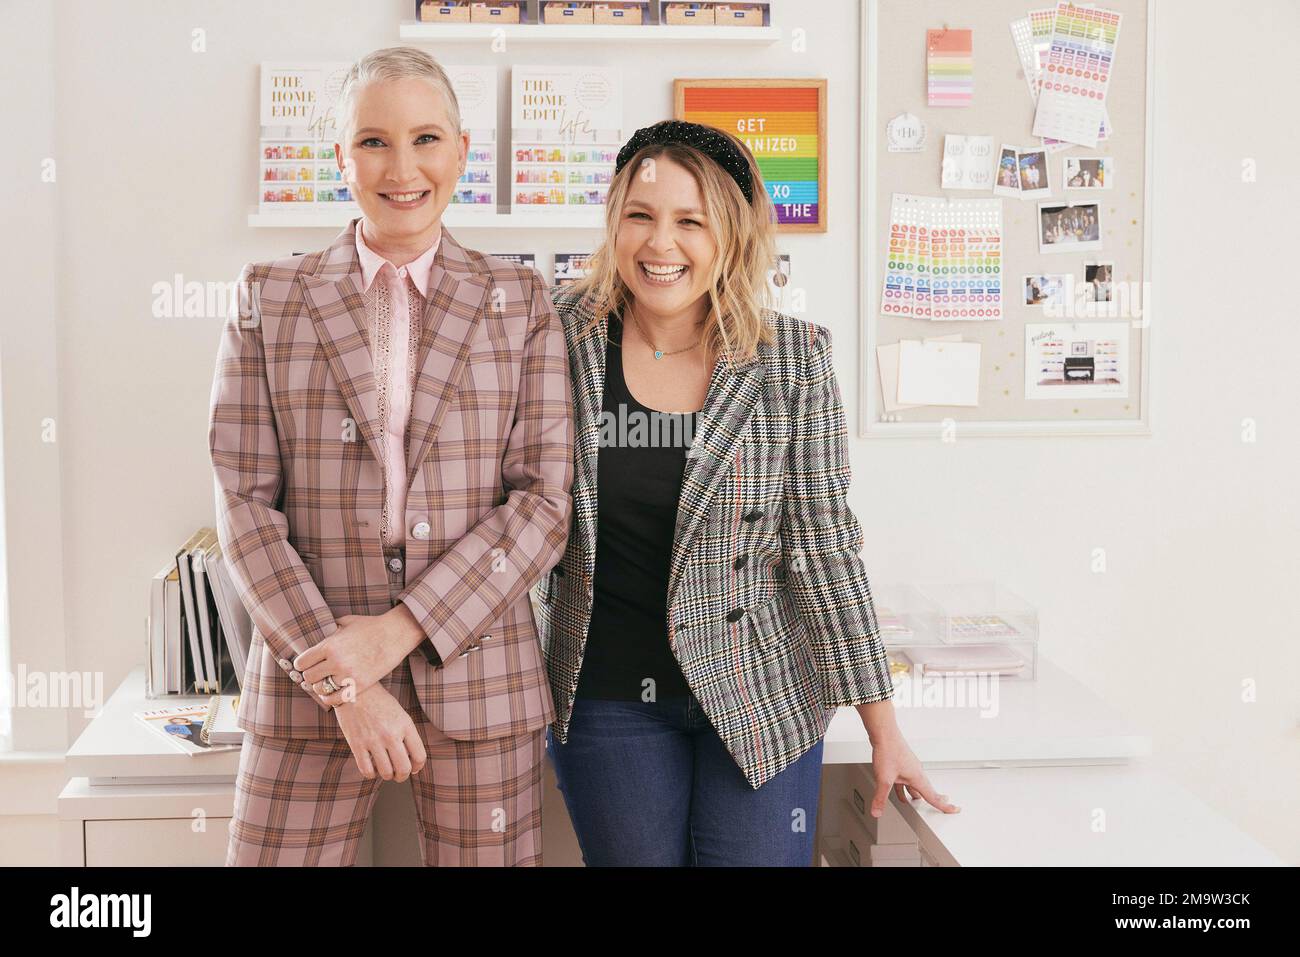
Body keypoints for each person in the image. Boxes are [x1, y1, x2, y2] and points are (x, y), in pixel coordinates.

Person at [536, 121, 959, 867]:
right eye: (641, 215)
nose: (659, 244)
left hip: (760, 690)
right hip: (607, 696)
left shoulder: (792, 359)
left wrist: (882, 723)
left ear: (730, 233)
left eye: (689, 221)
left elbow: (825, 545)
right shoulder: (557, 337)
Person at [209, 46, 573, 866]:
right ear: (340, 156)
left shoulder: (522, 303)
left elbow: (544, 504)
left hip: (480, 678)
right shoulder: (270, 296)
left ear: (462, 153)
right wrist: (346, 678)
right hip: (311, 676)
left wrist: (400, 632)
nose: (401, 167)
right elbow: (242, 505)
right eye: (373, 141)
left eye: (426, 139)